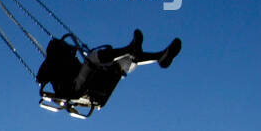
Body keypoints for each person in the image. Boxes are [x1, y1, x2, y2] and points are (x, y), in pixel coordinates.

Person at [36, 29, 182, 106]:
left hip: (86, 85)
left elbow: (83, 71)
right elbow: (40, 78)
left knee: (121, 62)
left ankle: (160, 57)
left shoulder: (71, 62)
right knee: (93, 57)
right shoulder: (52, 63)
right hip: (72, 88)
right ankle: (130, 49)